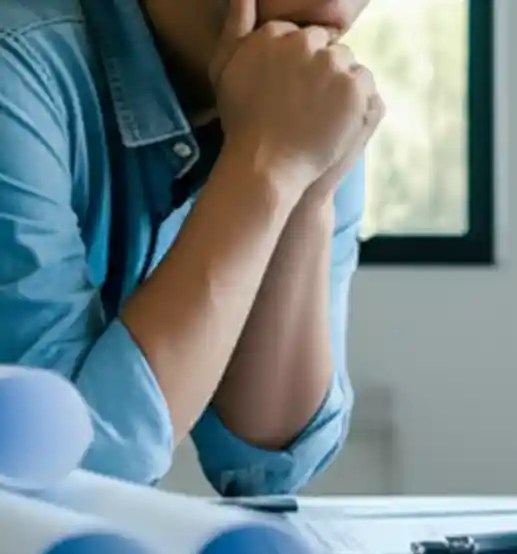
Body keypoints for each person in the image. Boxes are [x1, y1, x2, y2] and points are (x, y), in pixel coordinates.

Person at [0, 0, 381, 495]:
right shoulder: (18, 68)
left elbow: (266, 463)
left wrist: (306, 197)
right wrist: (265, 168)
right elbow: (65, 465)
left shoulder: (308, 95)